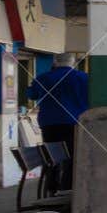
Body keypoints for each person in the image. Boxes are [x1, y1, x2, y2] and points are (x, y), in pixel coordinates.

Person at [26, 53, 88, 190]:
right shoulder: (83, 77)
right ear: (73, 63)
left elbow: (31, 94)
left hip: (49, 124)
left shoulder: (43, 78)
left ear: (54, 62)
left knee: (53, 157)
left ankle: (51, 188)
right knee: (72, 157)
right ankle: (67, 189)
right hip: (75, 122)